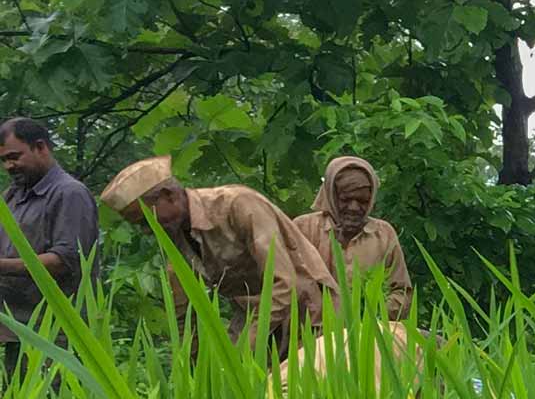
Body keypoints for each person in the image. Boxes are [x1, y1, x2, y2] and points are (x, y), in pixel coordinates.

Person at [98, 157, 336, 357]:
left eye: (146, 220)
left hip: (309, 315)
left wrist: (244, 348)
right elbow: (184, 309)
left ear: (169, 195)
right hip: (254, 318)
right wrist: (192, 366)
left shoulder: (238, 204)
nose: (147, 231)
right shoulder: (176, 237)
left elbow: (285, 283)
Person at [0, 117, 98, 374]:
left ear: (41, 147)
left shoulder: (69, 193)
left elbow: (64, 261)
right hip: (17, 328)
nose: (9, 166)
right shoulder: (12, 196)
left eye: (15, 156)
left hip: (57, 334)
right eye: (4, 160)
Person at [294, 155, 413, 320]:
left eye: (362, 201)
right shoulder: (303, 229)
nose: (354, 208)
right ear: (331, 195)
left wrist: (372, 315)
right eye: (346, 199)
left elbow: (402, 291)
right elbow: (287, 286)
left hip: (370, 332)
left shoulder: (383, 234)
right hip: (314, 335)